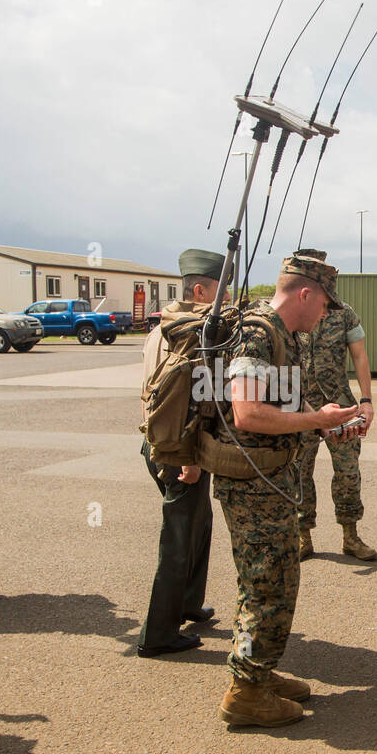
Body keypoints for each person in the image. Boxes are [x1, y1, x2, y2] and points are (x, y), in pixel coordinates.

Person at [212, 249, 360, 727]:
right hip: (252, 482)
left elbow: (284, 407)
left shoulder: (286, 336)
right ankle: (246, 692)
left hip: (272, 477)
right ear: (305, 293)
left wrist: (325, 426)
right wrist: (318, 418)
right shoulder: (259, 333)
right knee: (266, 585)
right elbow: (248, 413)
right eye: (324, 305)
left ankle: (258, 672)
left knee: (271, 580)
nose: (325, 315)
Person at [135, 248, 222, 658]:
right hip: (177, 449)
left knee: (198, 526)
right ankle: (158, 634)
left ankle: (188, 602)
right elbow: (175, 398)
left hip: (166, 444)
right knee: (178, 539)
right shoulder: (189, 332)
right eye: (221, 290)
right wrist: (184, 458)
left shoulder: (166, 324)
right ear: (201, 290)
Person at [296, 255, 377, 562]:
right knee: (300, 470)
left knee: (347, 472)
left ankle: (350, 536)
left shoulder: (344, 314)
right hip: (301, 409)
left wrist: (366, 400)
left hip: (341, 406)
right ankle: (303, 536)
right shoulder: (292, 312)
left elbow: (359, 357)